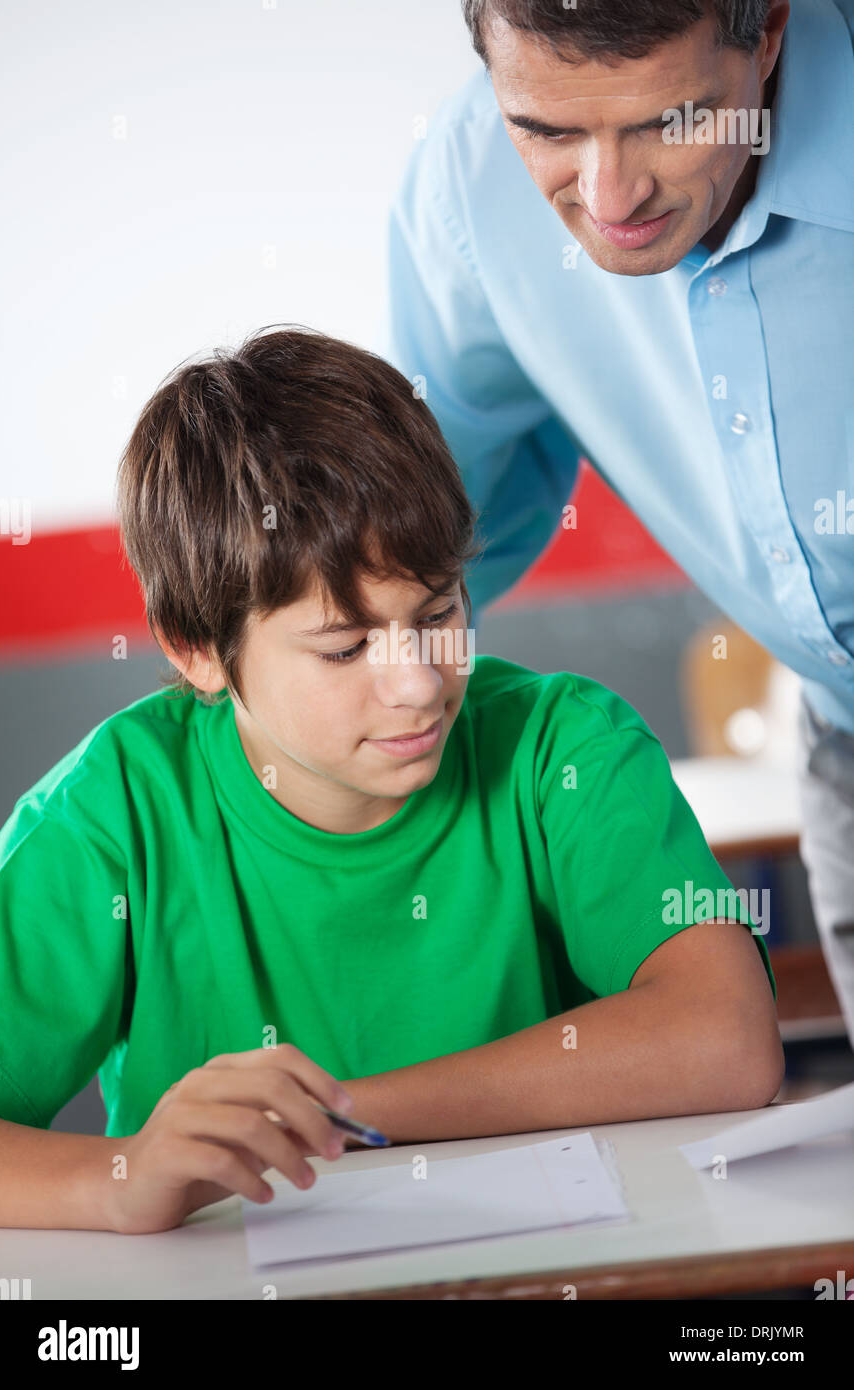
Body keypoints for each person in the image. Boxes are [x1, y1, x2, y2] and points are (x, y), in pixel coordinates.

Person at [0, 326, 780, 1234]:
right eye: (347, 646)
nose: (419, 683)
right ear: (198, 650)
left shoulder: (567, 747)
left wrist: (334, 1114)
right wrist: (119, 1180)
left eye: (439, 612)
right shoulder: (110, 815)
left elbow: (726, 1039)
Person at [385, 0, 854, 1043]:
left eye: (670, 120)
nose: (609, 196)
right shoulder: (467, 189)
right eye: (547, 132)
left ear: (765, 29)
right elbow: (423, 535)